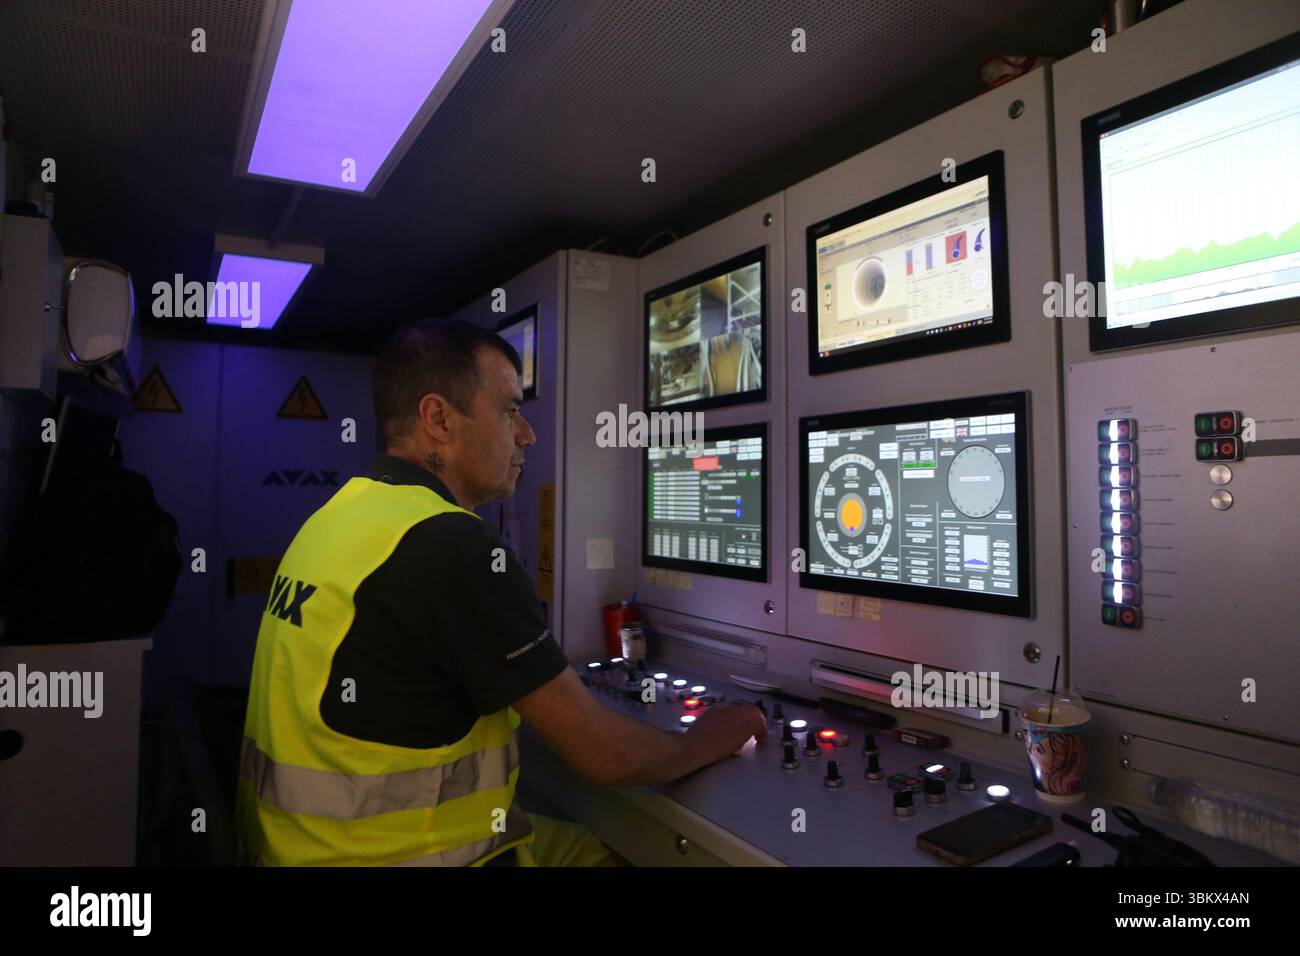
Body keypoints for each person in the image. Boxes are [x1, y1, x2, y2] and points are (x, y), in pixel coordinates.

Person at [236, 319, 766, 866]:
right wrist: (705, 739)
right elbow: (606, 755)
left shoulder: (337, 517)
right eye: (510, 409)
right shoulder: (452, 545)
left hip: (297, 849)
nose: (527, 434)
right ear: (438, 418)